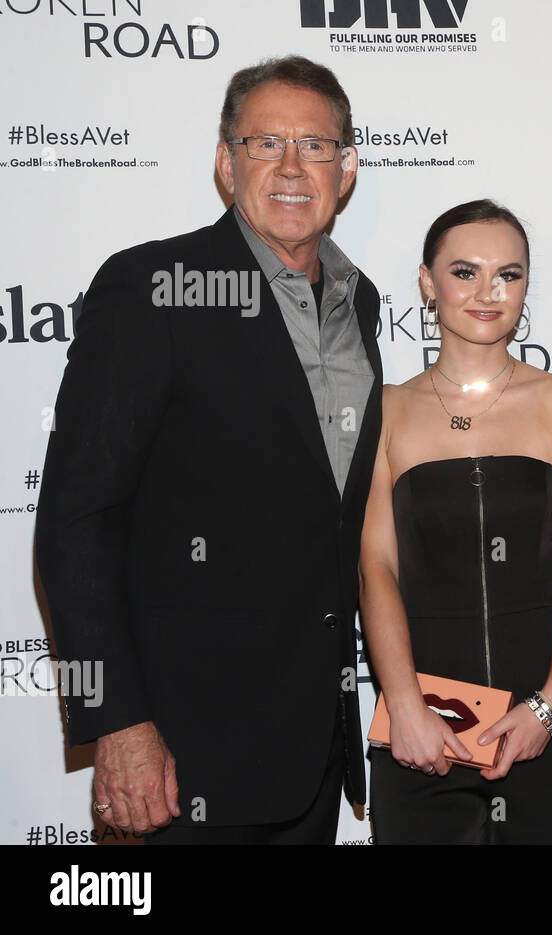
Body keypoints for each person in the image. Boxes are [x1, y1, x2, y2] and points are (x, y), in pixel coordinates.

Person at [34, 56, 382, 843]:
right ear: (227, 164)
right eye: (265, 143)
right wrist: (119, 723)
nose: (293, 167)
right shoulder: (153, 285)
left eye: (317, 145)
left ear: (348, 167)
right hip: (181, 753)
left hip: (315, 747)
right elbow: (76, 519)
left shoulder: (359, 303)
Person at [359, 200, 552, 844]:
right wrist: (406, 706)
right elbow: (376, 570)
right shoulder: (383, 411)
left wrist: (550, 708)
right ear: (426, 282)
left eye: (509, 274)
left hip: (551, 718)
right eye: (465, 271)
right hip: (422, 728)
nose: (487, 292)